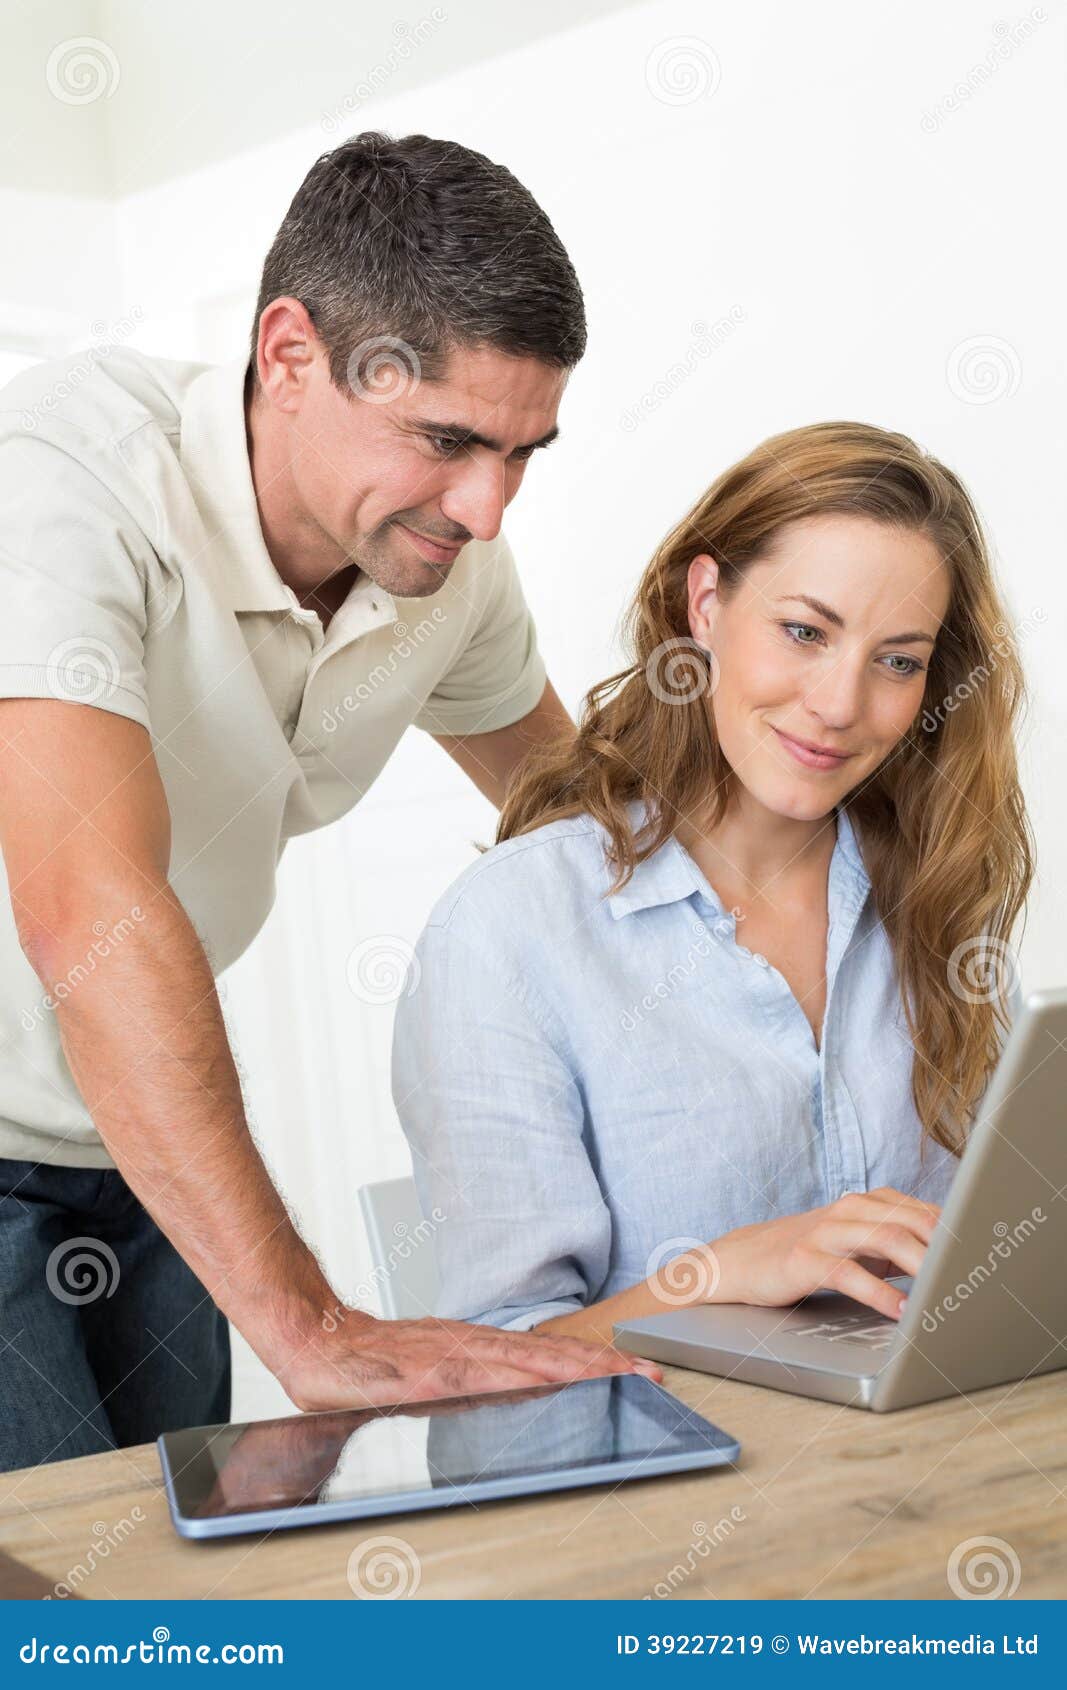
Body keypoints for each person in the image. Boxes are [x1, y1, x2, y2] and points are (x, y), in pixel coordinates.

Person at [0, 131, 659, 1475]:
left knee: (168, 1601)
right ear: (290, 355)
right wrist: (307, 1316)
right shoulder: (64, 477)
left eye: (522, 450)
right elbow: (90, 914)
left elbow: (585, 827)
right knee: (44, 1596)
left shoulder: (444, 566)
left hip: (132, 1157)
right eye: (447, 439)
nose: (484, 506)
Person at [393, 420, 1034, 1343]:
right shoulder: (510, 930)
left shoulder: (936, 893)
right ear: (704, 604)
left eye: (897, 660)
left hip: (927, 1466)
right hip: (671, 1481)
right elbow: (495, 1369)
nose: (839, 705)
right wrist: (722, 1274)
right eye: (804, 631)